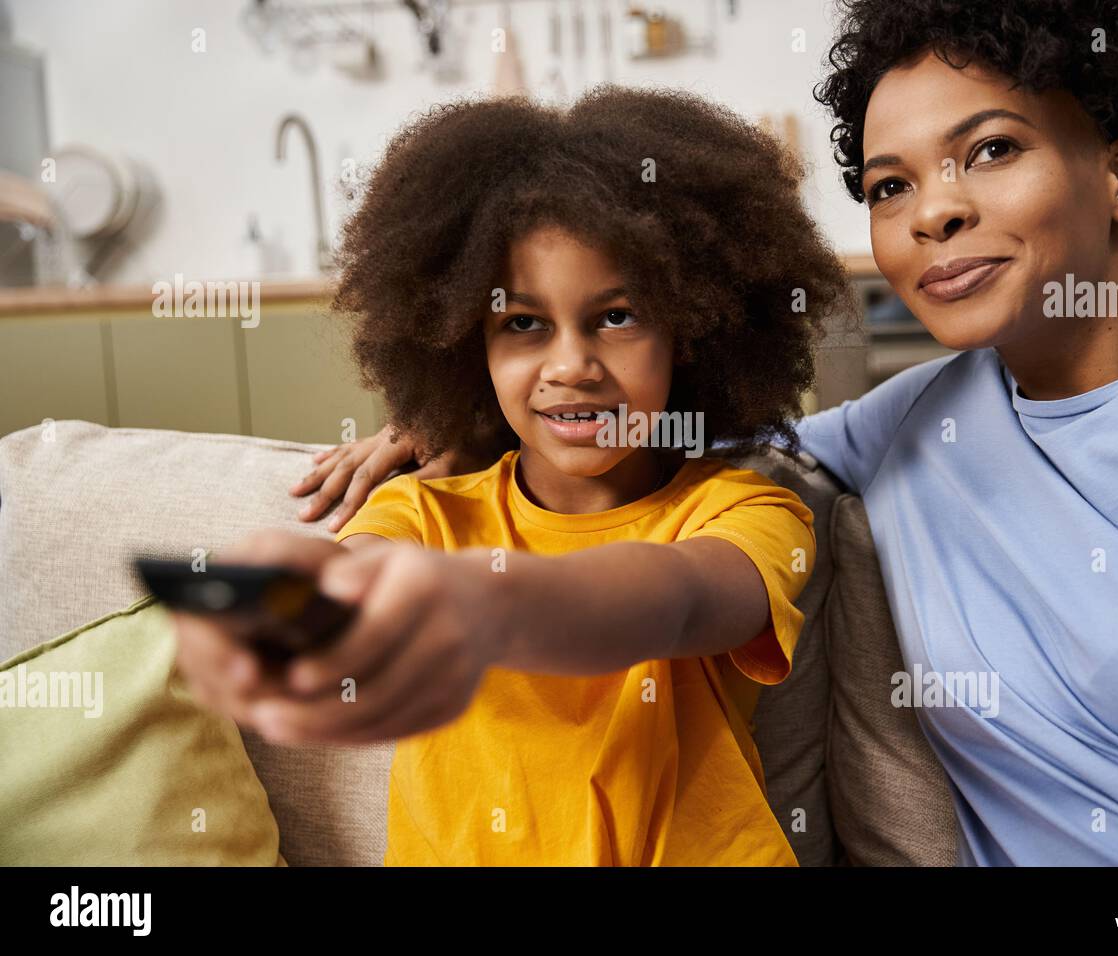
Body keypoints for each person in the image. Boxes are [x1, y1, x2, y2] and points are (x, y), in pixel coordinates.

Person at [301, 0, 1118, 866]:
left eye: (990, 149)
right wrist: (459, 417)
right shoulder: (906, 422)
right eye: (887, 186)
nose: (933, 213)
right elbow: (670, 447)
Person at [172, 88, 851, 865]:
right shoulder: (424, 514)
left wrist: (470, 601)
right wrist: (296, 591)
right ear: (469, 346)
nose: (571, 366)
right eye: (523, 323)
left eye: (618, 316)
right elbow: (352, 573)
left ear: (692, 332)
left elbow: (673, 599)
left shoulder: (746, 509)